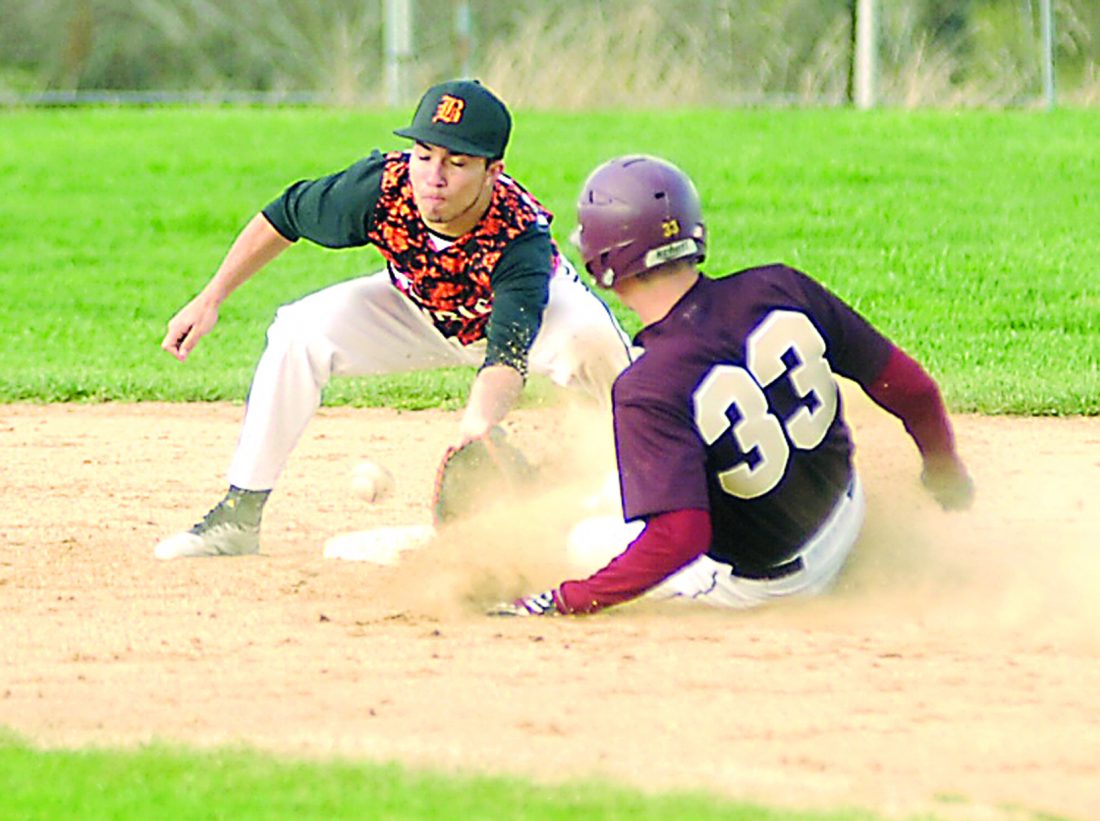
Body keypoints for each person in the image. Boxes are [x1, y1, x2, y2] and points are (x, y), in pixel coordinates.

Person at [154, 79, 632, 559]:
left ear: (493, 171)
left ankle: (645, 507)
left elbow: (505, 357)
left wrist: (476, 430)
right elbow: (285, 215)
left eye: (457, 163)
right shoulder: (382, 189)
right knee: (298, 331)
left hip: (537, 319)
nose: (433, 176)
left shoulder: (519, 236)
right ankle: (238, 515)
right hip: (417, 309)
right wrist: (211, 297)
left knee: (599, 349)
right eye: (424, 155)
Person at [492, 154, 974, 616]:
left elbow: (680, 537)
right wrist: (944, 470)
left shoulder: (647, 386)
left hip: (776, 584)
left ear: (604, 263)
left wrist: (569, 599)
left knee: (586, 542)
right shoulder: (782, 286)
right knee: (625, 489)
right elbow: (913, 389)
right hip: (850, 510)